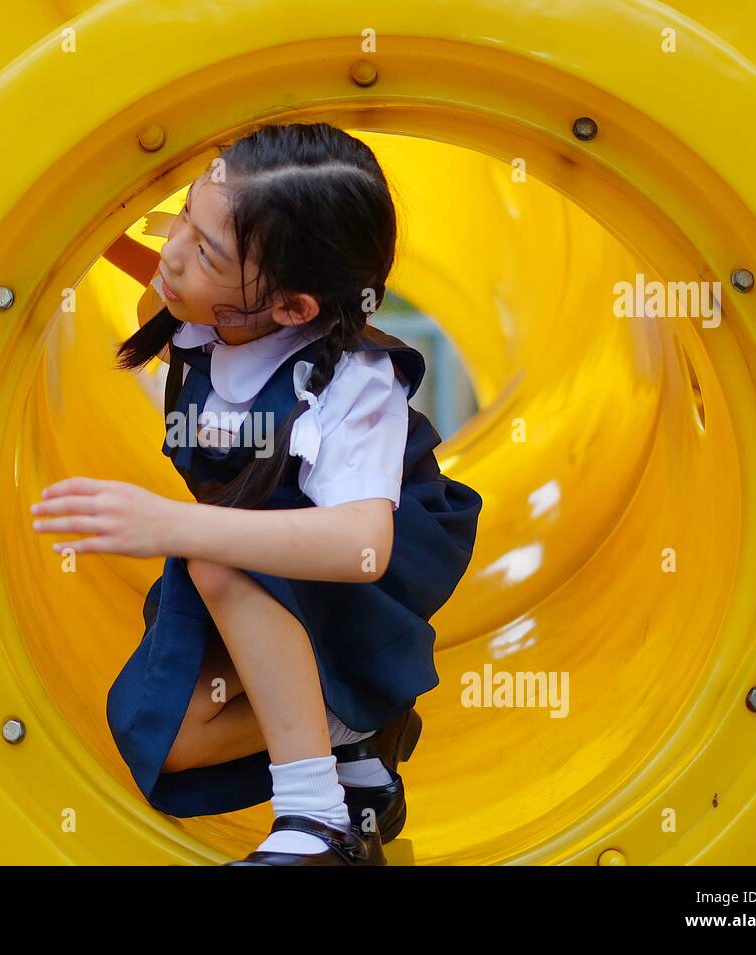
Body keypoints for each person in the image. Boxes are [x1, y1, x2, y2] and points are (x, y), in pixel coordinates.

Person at [31, 121, 481, 865]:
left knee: (214, 555)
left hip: (363, 587)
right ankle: (356, 723)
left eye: (207, 251)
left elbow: (363, 547)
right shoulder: (200, 321)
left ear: (295, 307)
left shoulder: (350, 386)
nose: (174, 253)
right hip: (265, 572)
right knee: (166, 736)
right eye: (183, 217)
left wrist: (173, 524)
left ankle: (316, 818)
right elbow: (155, 263)